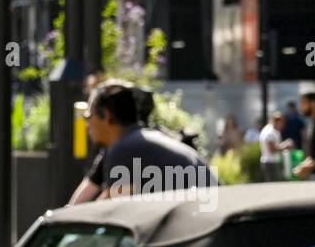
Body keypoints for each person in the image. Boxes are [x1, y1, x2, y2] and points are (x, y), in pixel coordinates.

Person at [87, 80, 218, 198]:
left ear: (106, 115)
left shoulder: (123, 150)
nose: (87, 124)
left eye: (88, 116)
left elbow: (109, 211)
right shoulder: (141, 140)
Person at [259, 111, 286, 182]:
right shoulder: (269, 132)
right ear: (278, 122)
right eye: (282, 122)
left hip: (272, 162)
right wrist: (285, 146)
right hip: (270, 163)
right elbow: (272, 149)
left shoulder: (274, 131)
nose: (283, 125)